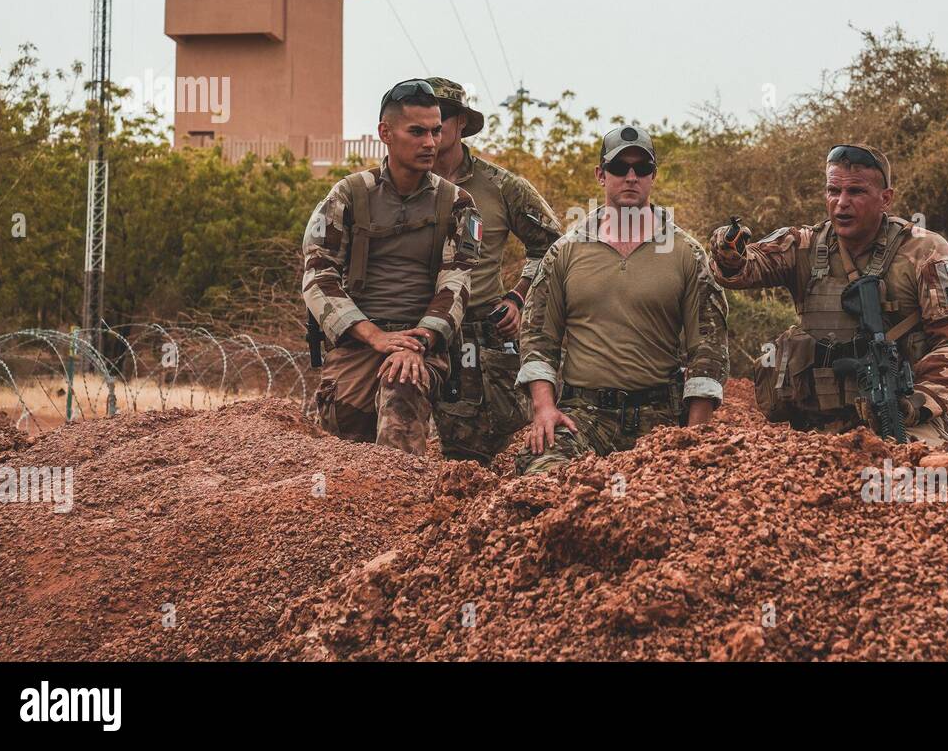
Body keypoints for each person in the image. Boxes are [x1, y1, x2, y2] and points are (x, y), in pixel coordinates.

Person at [708, 143, 948, 445]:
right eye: (833, 191)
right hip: (815, 426)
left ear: (885, 199)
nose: (841, 203)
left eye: (856, 192)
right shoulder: (804, 245)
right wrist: (729, 253)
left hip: (904, 420)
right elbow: (743, 270)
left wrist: (916, 404)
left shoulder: (925, 251)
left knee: (913, 476)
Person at [515, 125, 730, 475]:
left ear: (653, 176)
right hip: (583, 416)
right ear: (601, 174)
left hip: (660, 418)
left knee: (691, 492)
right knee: (543, 478)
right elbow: (538, 336)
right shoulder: (565, 252)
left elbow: (708, 346)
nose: (631, 176)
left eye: (642, 168)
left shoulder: (686, 253)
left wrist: (695, 435)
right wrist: (544, 408)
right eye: (619, 167)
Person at [301, 79, 482, 453]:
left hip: (422, 346)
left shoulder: (458, 204)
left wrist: (415, 344)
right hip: (357, 345)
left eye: (435, 131)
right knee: (341, 456)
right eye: (416, 132)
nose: (430, 143)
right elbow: (319, 277)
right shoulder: (347, 196)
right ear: (385, 133)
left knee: (402, 390)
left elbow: (456, 285)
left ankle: (406, 505)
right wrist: (375, 337)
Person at [425, 77, 563, 464]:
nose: (434, 129)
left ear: (461, 123)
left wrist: (519, 296)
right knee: (402, 449)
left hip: (480, 333)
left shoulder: (501, 186)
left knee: (480, 449)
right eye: (424, 119)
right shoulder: (401, 185)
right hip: (414, 328)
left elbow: (553, 247)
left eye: (442, 117)